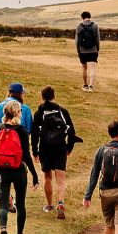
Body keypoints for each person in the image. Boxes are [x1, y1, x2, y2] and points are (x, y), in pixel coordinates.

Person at [0, 101, 39, 234]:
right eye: (20, 112)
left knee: (3, 205)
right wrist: (34, 175)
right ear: (17, 113)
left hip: (1, 171)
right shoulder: (22, 131)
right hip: (18, 170)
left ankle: (3, 228)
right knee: (21, 204)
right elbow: (27, 155)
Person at [32, 85, 82, 218]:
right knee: (60, 179)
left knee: (47, 177)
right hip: (60, 147)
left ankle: (49, 205)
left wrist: (35, 151)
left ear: (42, 97)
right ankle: (61, 203)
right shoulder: (62, 111)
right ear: (54, 96)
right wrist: (69, 148)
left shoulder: (39, 113)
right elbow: (71, 131)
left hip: (45, 148)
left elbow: (35, 133)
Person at [74, 11, 102, 91]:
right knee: (92, 68)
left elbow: (77, 41)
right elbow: (97, 39)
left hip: (82, 50)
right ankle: (91, 87)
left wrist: (78, 50)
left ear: (82, 17)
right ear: (90, 16)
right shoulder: (95, 26)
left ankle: (85, 85)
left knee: (84, 68)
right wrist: (97, 48)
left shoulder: (79, 27)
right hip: (93, 50)